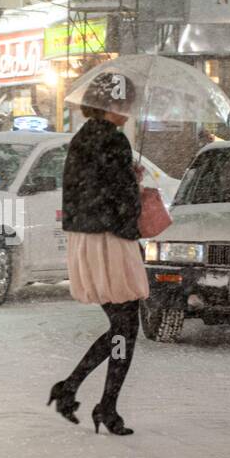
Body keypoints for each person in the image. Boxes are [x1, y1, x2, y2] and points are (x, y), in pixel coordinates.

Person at [48, 72, 146, 437]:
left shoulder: (82, 138)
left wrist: (123, 178)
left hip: (86, 240)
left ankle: (78, 391)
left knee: (121, 326)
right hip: (111, 241)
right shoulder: (114, 141)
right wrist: (133, 184)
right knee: (126, 327)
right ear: (114, 104)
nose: (128, 112)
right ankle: (103, 405)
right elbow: (120, 202)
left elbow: (86, 191)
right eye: (126, 105)